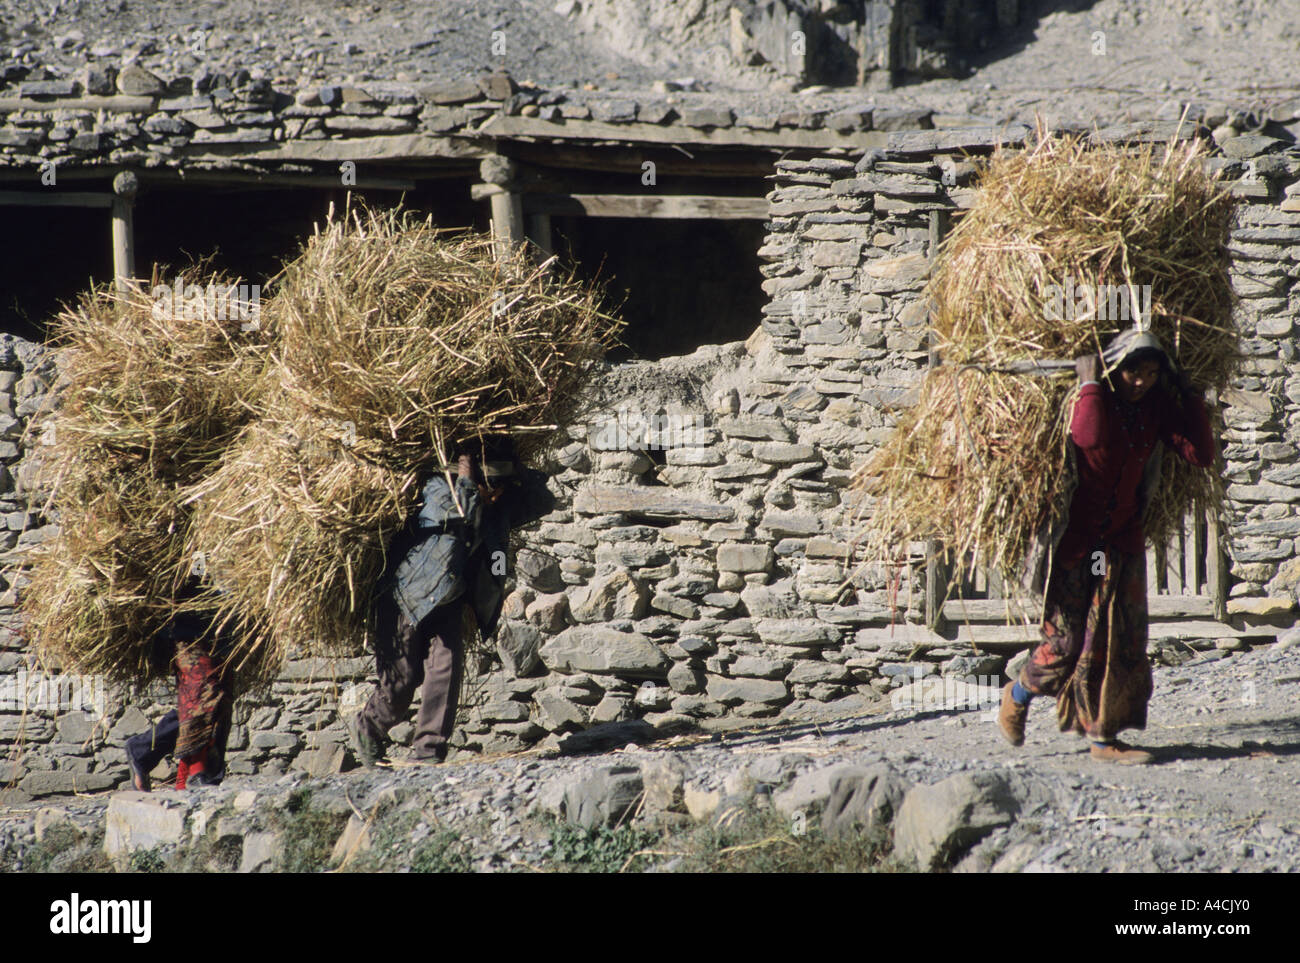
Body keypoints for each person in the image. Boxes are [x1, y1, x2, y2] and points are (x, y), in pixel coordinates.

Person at [998, 328, 1217, 764]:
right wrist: (1089, 383)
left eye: (1153, 373)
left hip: (1123, 541)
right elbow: (1089, 438)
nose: (1142, 381)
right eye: (1134, 371)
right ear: (1115, 368)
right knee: (1064, 643)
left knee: (1120, 643)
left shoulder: (1155, 409)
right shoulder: (1094, 402)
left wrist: (1190, 396)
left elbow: (1200, 454)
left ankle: (1104, 740)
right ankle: (1018, 693)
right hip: (1079, 543)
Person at [349, 440, 520, 767]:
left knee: (446, 671)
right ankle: (368, 729)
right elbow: (459, 512)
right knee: (401, 683)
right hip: (407, 597)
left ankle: (427, 753)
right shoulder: (437, 488)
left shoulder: (496, 510)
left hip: (449, 600)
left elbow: (537, 504)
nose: (496, 493)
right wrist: (467, 479)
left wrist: (518, 474)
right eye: (493, 485)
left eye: (501, 487)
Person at [125, 583, 235, 791]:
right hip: (187, 630)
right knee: (207, 694)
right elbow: (191, 572)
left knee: (221, 701)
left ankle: (145, 751)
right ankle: (197, 771)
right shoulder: (195, 560)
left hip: (221, 631)